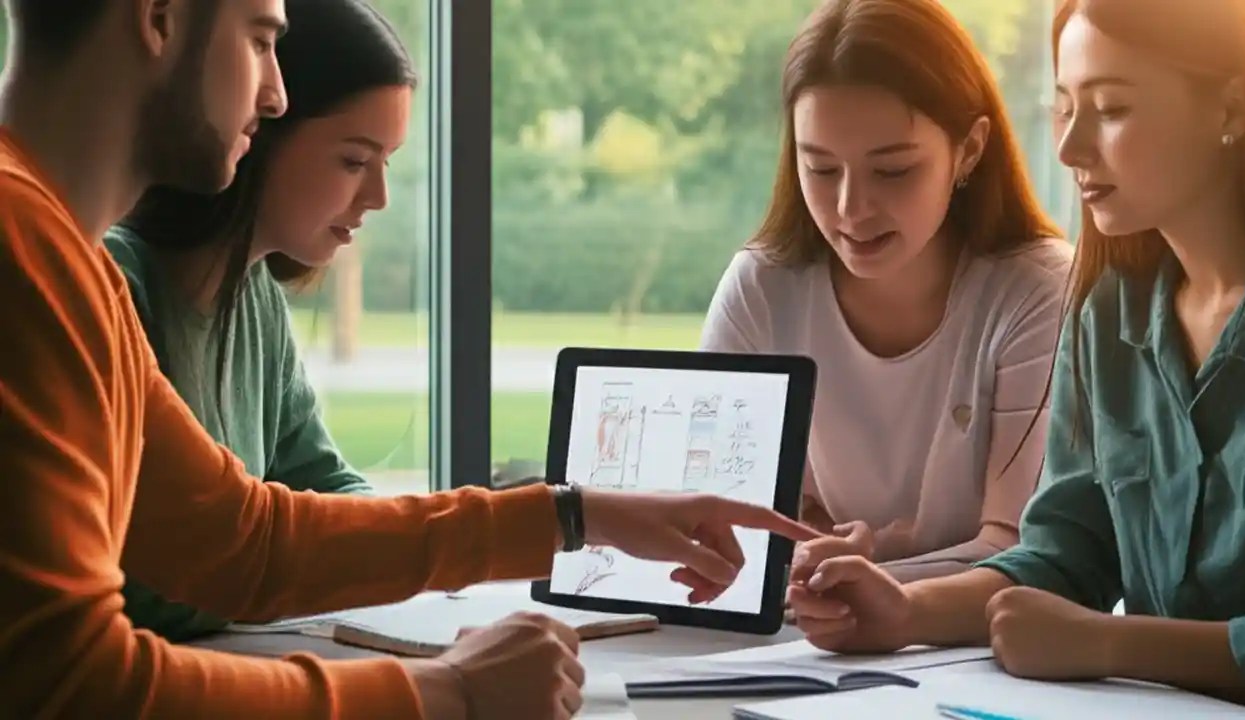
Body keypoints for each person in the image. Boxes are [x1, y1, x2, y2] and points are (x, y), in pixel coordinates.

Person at [0, 1, 819, 718]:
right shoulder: (22, 253)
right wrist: (444, 694)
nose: (276, 93)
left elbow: (245, 544)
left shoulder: (71, 266)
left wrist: (577, 515)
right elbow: (73, 685)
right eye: (259, 39)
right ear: (158, 16)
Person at [787, 0, 1245, 711]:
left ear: (1230, 107)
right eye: (1064, 108)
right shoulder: (1108, 313)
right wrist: (904, 611)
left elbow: (1091, 628)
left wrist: (1114, 644)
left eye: (1111, 109)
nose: (1070, 148)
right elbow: (1067, 554)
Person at [700, 0, 1071, 582]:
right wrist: (819, 557)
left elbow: (1018, 549)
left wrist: (862, 573)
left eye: (893, 171)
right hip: (801, 623)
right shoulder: (761, 289)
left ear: (969, 150)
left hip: (970, 633)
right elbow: (713, 521)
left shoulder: (1035, 292)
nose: (851, 208)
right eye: (821, 169)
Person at [104, 0, 410, 642]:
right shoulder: (118, 287)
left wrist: (414, 545)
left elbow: (323, 486)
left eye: (387, 163)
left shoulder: (254, 296)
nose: (378, 197)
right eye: (355, 162)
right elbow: (183, 574)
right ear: (260, 136)